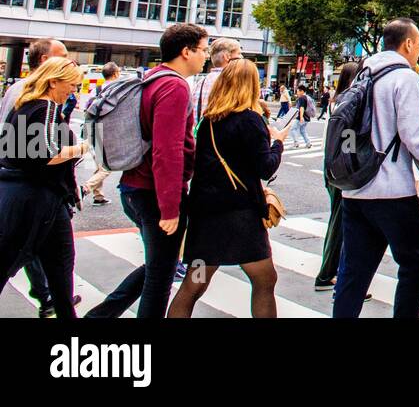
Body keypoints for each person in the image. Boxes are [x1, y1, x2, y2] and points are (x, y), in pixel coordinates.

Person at [85, 23, 209, 319]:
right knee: (160, 279)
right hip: (154, 193)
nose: (205, 56)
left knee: (158, 265)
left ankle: (99, 316)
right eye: (203, 50)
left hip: (134, 187)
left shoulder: (151, 78)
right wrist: (170, 207)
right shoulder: (174, 86)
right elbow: (167, 150)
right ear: (186, 51)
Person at [168, 59, 288, 318]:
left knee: (194, 282)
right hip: (239, 216)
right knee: (264, 280)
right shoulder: (250, 120)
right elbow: (265, 167)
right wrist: (278, 143)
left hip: (205, 214)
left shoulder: (210, 120)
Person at [333, 18, 419, 319]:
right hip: (392, 190)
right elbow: (413, 136)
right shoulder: (404, 77)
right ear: (407, 44)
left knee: (353, 272)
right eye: (418, 44)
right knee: (415, 263)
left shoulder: (363, 73)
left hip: (355, 189)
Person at [0, 57, 91, 319]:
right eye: (72, 85)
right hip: (41, 199)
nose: (74, 90)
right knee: (58, 267)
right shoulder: (47, 107)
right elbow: (47, 155)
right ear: (53, 81)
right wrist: (81, 148)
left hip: (23, 195)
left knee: (56, 266)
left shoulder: (24, 105)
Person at [315, 61, 357, 291]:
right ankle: (328, 274)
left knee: (339, 221)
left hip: (331, 168)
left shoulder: (336, 102)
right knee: (341, 223)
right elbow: (348, 140)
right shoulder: (345, 105)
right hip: (342, 170)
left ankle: (335, 271)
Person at [82, 61, 125, 207]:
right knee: (108, 166)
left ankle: (98, 196)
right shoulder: (117, 89)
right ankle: (85, 188)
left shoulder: (97, 89)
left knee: (100, 164)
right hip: (107, 131)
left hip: (92, 128)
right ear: (115, 74)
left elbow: (86, 107)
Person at [190, 37, 241, 121]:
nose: (241, 57)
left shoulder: (201, 82)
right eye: (239, 54)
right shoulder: (231, 81)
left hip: (200, 132)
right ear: (227, 57)